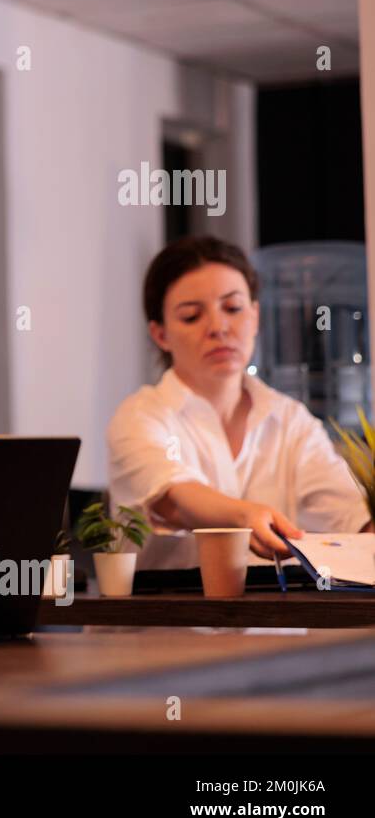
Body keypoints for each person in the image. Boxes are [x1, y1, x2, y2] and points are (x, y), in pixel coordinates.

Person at [106, 235, 370, 571]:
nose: (219, 327)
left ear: (256, 316)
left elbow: (349, 514)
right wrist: (246, 515)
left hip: (273, 621)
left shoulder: (291, 420)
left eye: (233, 308)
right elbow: (174, 499)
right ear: (160, 334)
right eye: (191, 316)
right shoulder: (140, 416)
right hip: (168, 623)